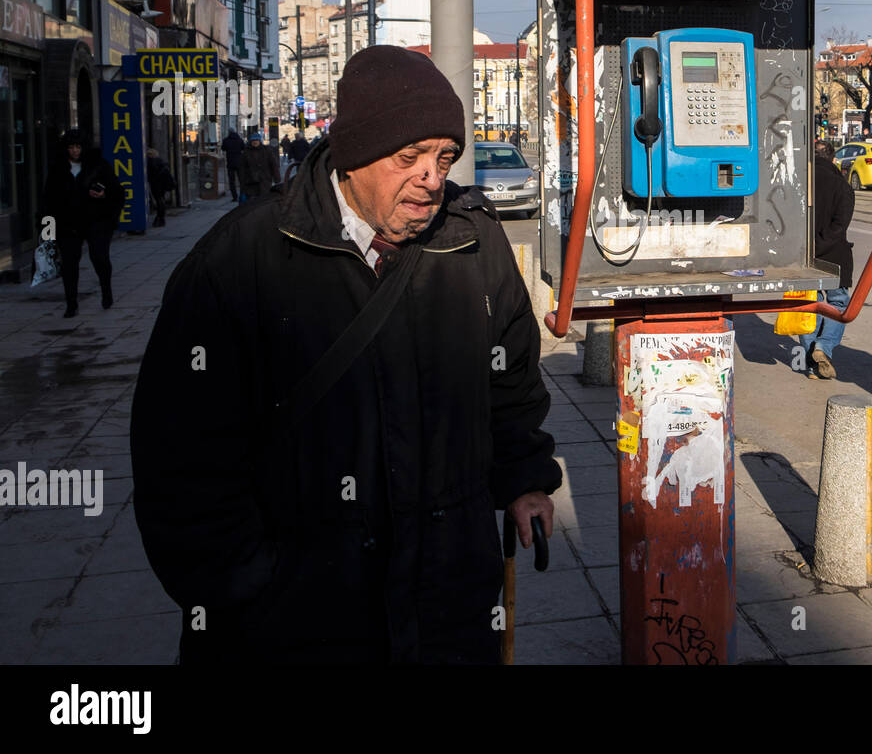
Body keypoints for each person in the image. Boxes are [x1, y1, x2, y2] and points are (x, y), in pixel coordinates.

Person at [130, 44, 562, 664]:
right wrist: (244, 586)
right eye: (409, 157)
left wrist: (524, 479)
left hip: (447, 609)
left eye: (444, 157)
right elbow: (179, 452)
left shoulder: (473, 241)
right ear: (354, 156)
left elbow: (511, 385)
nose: (432, 178)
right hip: (298, 621)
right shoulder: (243, 258)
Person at [42, 129, 124, 317]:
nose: (75, 151)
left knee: (99, 257)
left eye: (78, 147)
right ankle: (71, 303)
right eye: (71, 147)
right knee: (69, 262)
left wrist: (104, 195)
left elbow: (117, 192)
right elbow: (49, 197)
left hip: (96, 220)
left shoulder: (99, 166)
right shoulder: (58, 168)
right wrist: (48, 223)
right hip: (68, 222)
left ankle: (106, 290)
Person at [797, 140, 855, 380]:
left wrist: (807, 249)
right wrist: (821, 245)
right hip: (834, 255)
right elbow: (840, 225)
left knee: (807, 307)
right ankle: (823, 347)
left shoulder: (800, 183)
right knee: (838, 305)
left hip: (801, 257)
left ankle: (812, 366)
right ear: (833, 158)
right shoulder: (842, 186)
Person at [239, 130, 281, 200]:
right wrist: (242, 181)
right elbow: (242, 168)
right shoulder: (246, 152)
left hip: (264, 179)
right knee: (252, 201)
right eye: (253, 140)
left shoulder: (267, 150)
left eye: (256, 140)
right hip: (251, 181)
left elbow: (273, 164)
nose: (255, 142)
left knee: (264, 200)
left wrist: (277, 178)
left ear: (260, 141)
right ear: (250, 141)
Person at [146, 148, 176, 227]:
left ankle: (160, 218)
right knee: (161, 199)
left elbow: (150, 174)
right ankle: (161, 218)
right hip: (163, 184)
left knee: (158, 200)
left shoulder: (150, 162)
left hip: (155, 183)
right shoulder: (161, 161)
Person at [221, 128, 244, 203]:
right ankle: (242, 195)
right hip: (239, 162)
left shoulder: (226, 140)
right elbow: (243, 148)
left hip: (230, 162)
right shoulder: (240, 140)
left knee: (232, 181)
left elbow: (223, 148)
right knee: (241, 180)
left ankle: (235, 197)